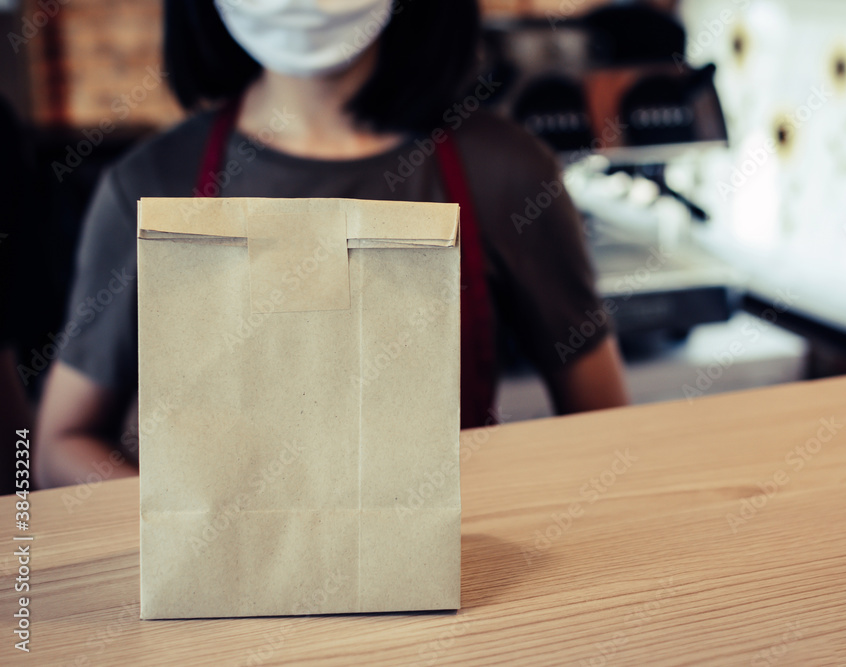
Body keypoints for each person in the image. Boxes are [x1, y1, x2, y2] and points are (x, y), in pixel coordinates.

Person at [36, 0, 628, 489]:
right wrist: (186, 529)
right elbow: (60, 442)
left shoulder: (504, 172)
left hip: (449, 579)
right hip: (222, 588)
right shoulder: (149, 186)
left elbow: (604, 426)